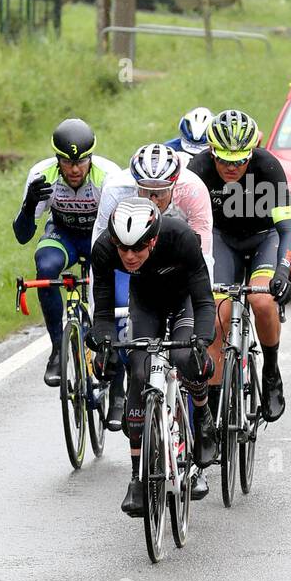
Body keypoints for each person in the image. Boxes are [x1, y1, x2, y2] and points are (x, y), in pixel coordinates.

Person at [87, 199, 217, 517]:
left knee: (186, 356)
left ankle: (201, 415)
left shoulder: (181, 237)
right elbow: (102, 312)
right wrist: (104, 342)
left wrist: (203, 340)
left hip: (185, 298)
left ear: (154, 239)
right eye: (123, 249)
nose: (129, 256)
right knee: (140, 370)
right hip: (145, 303)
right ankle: (137, 478)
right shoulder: (104, 249)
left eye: (138, 248)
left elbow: (203, 301)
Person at [92, 142, 215, 443]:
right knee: (139, 361)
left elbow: (205, 260)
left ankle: (199, 415)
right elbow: (102, 264)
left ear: (175, 183)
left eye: (161, 191)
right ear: (135, 186)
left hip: (184, 270)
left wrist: (204, 328)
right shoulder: (116, 191)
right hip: (143, 278)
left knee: (186, 356)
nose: (153, 198)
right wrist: (102, 333)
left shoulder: (192, 189)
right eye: (145, 191)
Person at [187, 109, 291, 422]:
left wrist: (283, 273)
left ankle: (272, 371)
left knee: (262, 300)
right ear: (210, 152)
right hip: (222, 240)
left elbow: (287, 229)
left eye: (239, 161)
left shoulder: (268, 166)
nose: (230, 167)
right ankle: (215, 404)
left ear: (252, 153)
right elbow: (191, 231)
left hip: (264, 239)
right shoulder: (199, 169)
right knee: (218, 316)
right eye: (223, 160)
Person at [12, 118, 119, 387]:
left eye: (81, 162)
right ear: (57, 158)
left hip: (101, 236)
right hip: (64, 234)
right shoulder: (42, 174)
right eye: (67, 162)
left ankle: (114, 372)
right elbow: (22, 236)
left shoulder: (108, 176)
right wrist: (29, 204)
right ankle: (58, 349)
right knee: (46, 267)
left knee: (110, 290)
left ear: (91, 158)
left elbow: (123, 228)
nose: (74, 169)